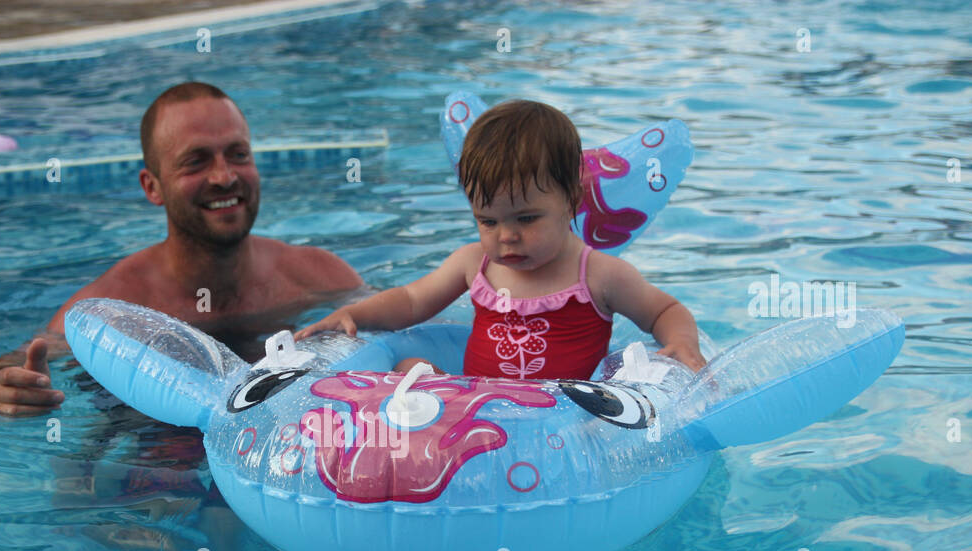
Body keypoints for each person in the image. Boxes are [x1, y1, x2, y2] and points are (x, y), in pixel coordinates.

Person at [0, 81, 364, 414]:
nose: (224, 177)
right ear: (152, 187)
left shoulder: (320, 276)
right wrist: (7, 389)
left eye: (237, 154)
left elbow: (398, 336)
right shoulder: (114, 306)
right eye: (197, 161)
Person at [295, 99, 706, 378]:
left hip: (564, 423)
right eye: (487, 221)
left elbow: (663, 310)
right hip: (475, 410)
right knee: (410, 368)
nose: (506, 236)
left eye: (526, 218)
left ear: (572, 199)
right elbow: (410, 301)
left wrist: (683, 343)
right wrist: (355, 314)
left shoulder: (599, 274)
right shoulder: (474, 263)